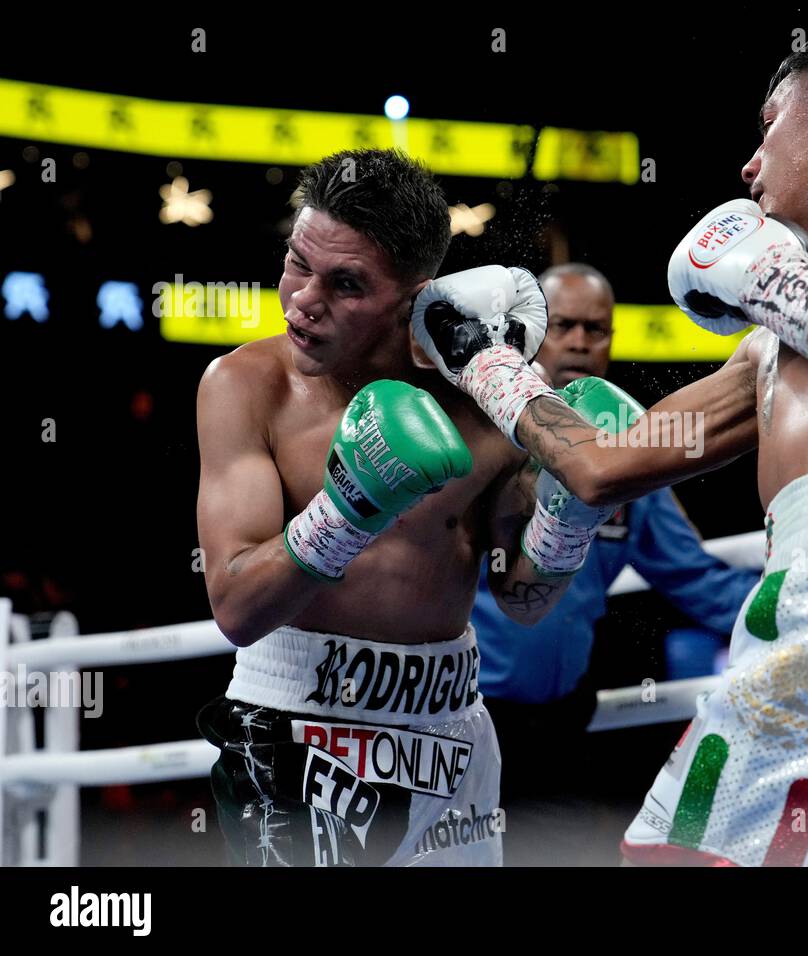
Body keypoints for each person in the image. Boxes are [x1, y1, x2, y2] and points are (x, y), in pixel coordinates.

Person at [412, 20, 808, 866]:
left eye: (767, 123)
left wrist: (769, 279)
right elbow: (602, 467)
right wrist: (484, 364)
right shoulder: (776, 343)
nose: (747, 167)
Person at [193, 148, 628, 866]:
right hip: (298, 728)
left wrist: (565, 521)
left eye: (346, 285)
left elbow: (521, 598)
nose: (304, 298)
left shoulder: (484, 398)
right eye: (297, 262)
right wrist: (348, 508)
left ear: (413, 296)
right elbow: (237, 608)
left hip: (450, 733)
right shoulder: (244, 386)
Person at [470, 263, 759, 864]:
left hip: (561, 728)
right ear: (527, 330)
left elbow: (697, 580)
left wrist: (804, 602)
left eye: (596, 329)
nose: (579, 341)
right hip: (462, 718)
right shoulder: (480, 437)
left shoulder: (626, 456)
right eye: (564, 325)